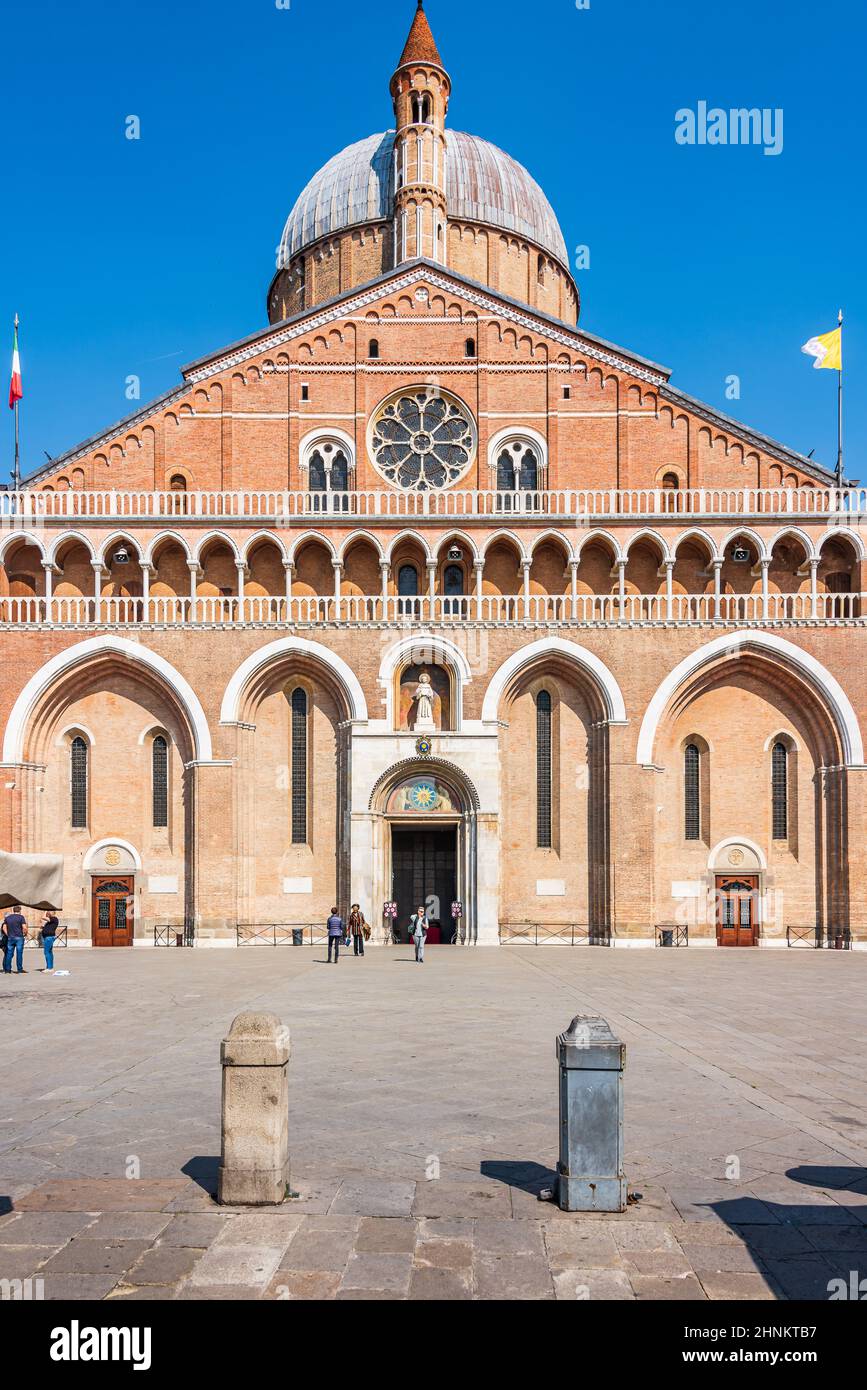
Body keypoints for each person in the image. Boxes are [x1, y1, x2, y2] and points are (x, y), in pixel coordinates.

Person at [3, 906, 28, 975]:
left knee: (9, 954)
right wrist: (25, 933)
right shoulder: (21, 917)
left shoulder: (8, 918)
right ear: (19, 911)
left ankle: (7, 970)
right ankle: (19, 969)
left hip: (10, 938)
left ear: (13, 910)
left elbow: (4, 927)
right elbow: (24, 927)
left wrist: (7, 934)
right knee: (19, 954)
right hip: (19, 937)